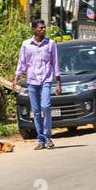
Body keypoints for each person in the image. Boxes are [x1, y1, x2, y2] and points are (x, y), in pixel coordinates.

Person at [15, 18, 61, 149]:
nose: (43, 29)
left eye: (44, 27)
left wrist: (58, 83)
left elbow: (55, 63)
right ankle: (41, 139)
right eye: (41, 28)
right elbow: (21, 63)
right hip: (32, 81)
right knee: (35, 111)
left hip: (46, 80)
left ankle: (47, 137)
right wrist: (16, 78)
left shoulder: (51, 44)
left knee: (46, 106)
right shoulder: (26, 45)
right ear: (34, 29)